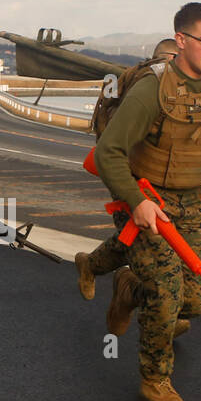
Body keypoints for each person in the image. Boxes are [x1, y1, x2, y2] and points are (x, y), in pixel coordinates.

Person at [92, 3, 201, 401]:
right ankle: (155, 380)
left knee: (197, 298)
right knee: (166, 294)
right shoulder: (152, 90)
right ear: (181, 40)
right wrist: (137, 201)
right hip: (145, 197)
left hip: (192, 201)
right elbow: (108, 152)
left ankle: (129, 287)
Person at [75, 37, 179, 334]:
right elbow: (116, 142)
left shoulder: (172, 86)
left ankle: (92, 265)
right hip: (131, 176)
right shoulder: (147, 85)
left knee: (136, 239)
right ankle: (161, 313)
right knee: (152, 251)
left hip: (163, 181)